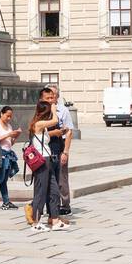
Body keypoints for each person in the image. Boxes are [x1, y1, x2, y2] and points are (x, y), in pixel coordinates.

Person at [25, 100, 68, 231]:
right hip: (42, 161)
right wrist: (55, 110)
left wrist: (60, 132)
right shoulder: (38, 124)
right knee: (40, 192)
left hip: (48, 159)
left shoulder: (42, 127)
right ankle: (35, 222)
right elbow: (55, 120)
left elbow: (48, 134)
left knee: (54, 190)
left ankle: (55, 220)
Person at [47, 85, 74, 215]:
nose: (50, 98)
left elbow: (69, 132)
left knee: (62, 176)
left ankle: (65, 204)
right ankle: (52, 204)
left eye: (52, 95)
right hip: (46, 145)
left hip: (60, 143)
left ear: (57, 96)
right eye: (48, 95)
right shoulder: (43, 110)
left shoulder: (63, 110)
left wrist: (66, 151)